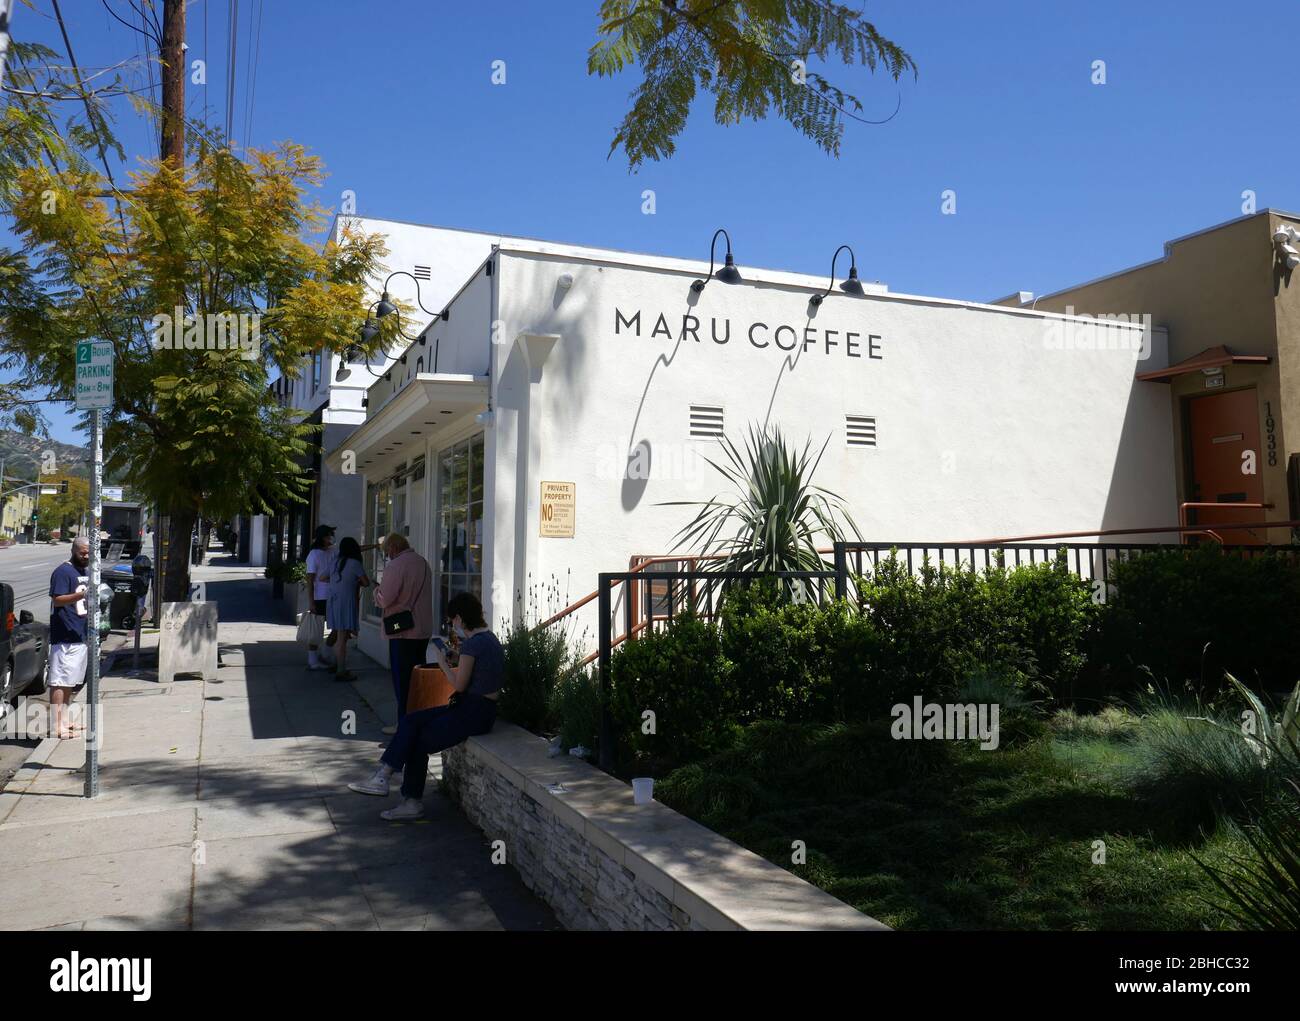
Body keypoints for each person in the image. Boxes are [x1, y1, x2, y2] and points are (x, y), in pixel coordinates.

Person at [349, 591, 502, 820]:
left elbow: (459, 686)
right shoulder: (489, 639)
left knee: (418, 740)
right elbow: (477, 673)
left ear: (460, 618)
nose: (453, 626)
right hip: (482, 710)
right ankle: (384, 774)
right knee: (412, 719)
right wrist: (455, 658)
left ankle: (409, 799)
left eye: (452, 621)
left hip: (473, 711)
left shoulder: (473, 645)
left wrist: (442, 664)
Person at [371, 532, 433, 734]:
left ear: (393, 548)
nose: (387, 555)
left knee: (402, 681)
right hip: (422, 630)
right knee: (418, 679)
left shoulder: (396, 566)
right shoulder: (423, 563)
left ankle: (404, 725)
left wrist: (375, 592)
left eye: (387, 550)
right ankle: (418, 719)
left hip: (402, 631)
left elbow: (385, 599)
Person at [48, 537, 91, 740]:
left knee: (71, 681)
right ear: (74, 551)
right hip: (64, 633)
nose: (86, 556)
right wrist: (81, 596)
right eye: (83, 552)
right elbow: (57, 600)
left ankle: (65, 720)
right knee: (59, 680)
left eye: (89, 552)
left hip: (80, 632)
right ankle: (57, 725)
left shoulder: (85, 571)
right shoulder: (63, 572)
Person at [326, 536, 369, 682]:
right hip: (346, 601)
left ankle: (335, 663)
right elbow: (366, 582)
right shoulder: (355, 563)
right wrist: (353, 581)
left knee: (339, 633)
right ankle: (341, 670)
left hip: (333, 600)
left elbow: (321, 577)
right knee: (342, 638)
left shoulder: (334, 562)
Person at [303, 524, 337, 671]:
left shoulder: (333, 551)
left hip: (334, 595)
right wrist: (311, 601)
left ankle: (326, 652)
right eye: (329, 535)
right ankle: (312, 660)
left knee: (338, 626)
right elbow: (309, 579)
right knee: (316, 629)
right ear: (323, 537)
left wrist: (374, 545)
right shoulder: (314, 555)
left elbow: (353, 550)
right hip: (320, 597)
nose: (331, 538)